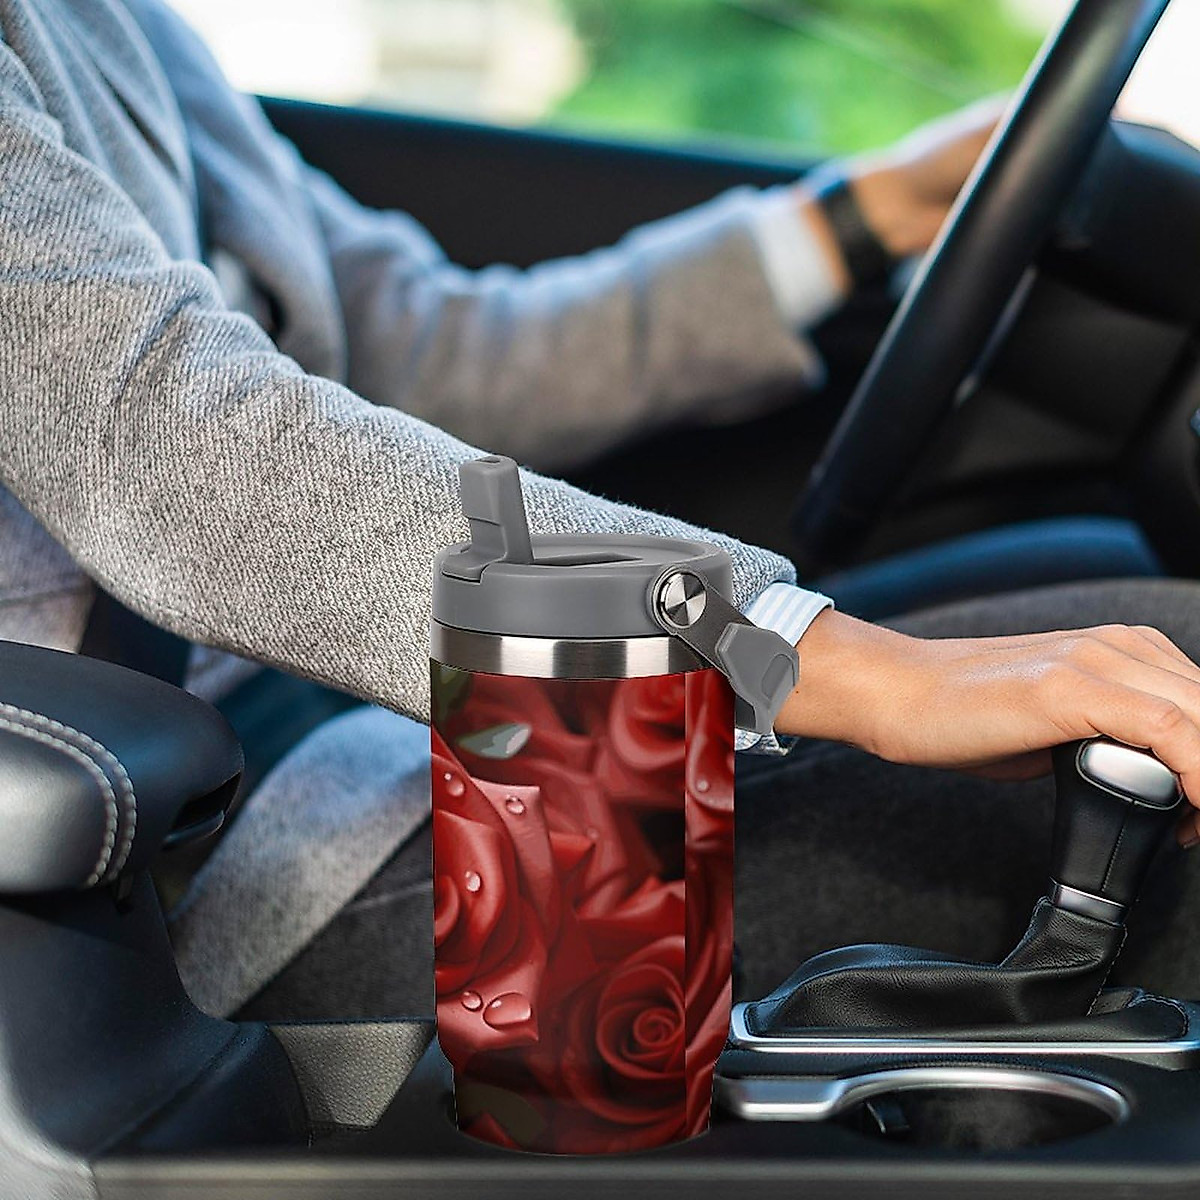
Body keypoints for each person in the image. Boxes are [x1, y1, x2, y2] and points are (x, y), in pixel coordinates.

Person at [3, 0, 1200, 1019]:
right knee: (1162, 684)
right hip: (177, 878)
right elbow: (176, 447)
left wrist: (858, 217)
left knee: (1105, 592)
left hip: (351, 729)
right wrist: (829, 667)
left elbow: (419, 349)